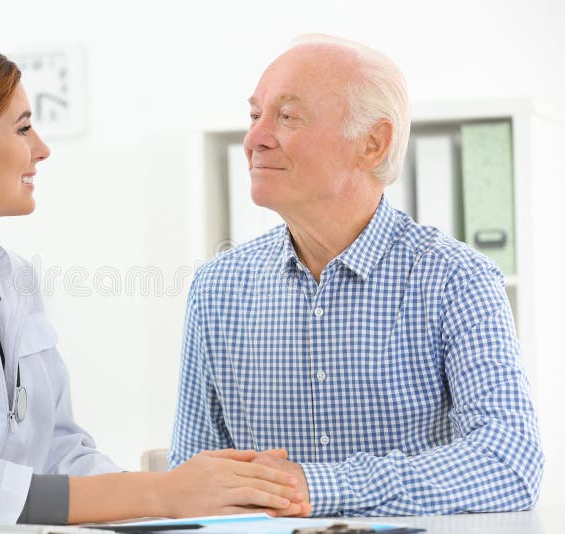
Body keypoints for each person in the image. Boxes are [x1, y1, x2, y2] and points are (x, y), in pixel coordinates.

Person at [0, 41, 305, 524]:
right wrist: (162, 493)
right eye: (24, 128)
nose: (42, 149)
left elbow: (61, 450)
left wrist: (184, 508)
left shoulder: (15, 278)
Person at [169, 34, 544, 516]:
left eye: (286, 116)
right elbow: (193, 479)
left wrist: (320, 488)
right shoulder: (217, 288)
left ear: (373, 143)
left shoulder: (457, 279)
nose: (254, 138)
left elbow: (508, 463)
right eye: (254, 115)